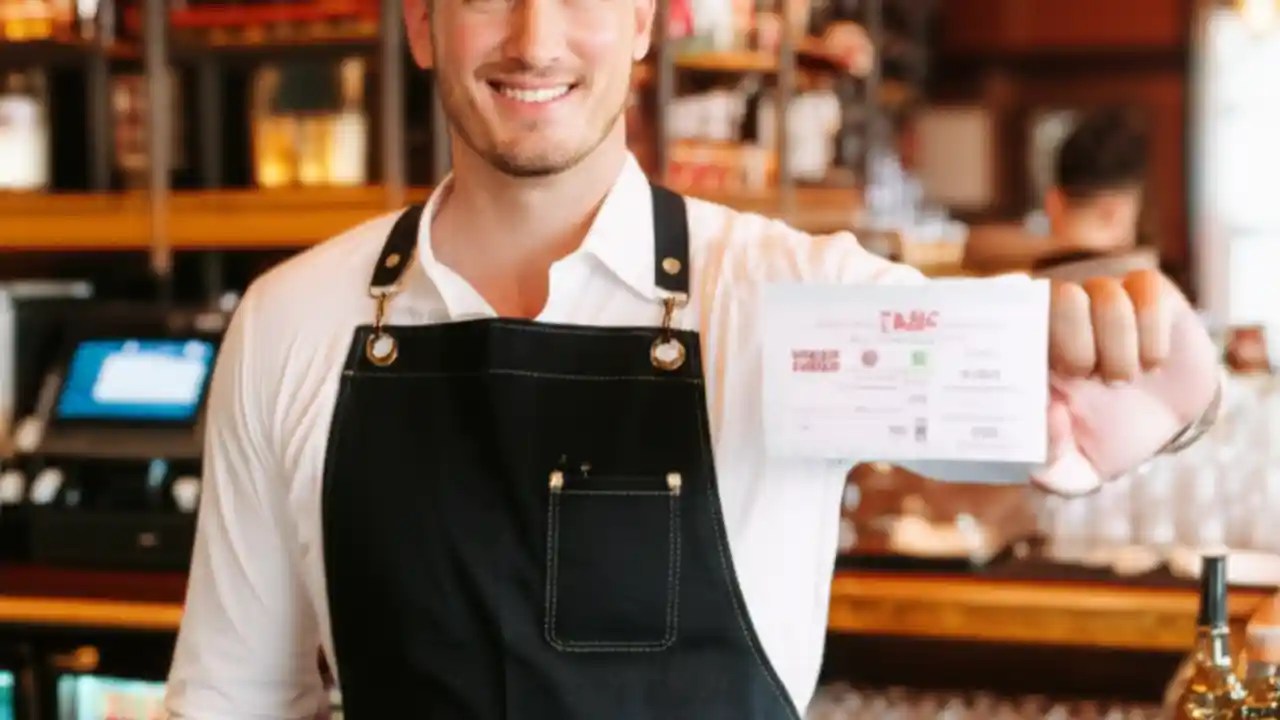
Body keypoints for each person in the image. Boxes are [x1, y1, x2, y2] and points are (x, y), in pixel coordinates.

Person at [161, 0, 1222, 717]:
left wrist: (1163, 358)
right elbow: (230, 699)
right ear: (420, 24)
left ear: (641, 22)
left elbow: (1117, 411)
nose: (533, 39)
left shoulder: (788, 302)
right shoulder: (291, 321)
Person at [963, 107, 1158, 279]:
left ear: (1053, 201)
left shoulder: (1025, 281)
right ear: (1119, 210)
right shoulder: (1151, 282)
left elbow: (973, 247)